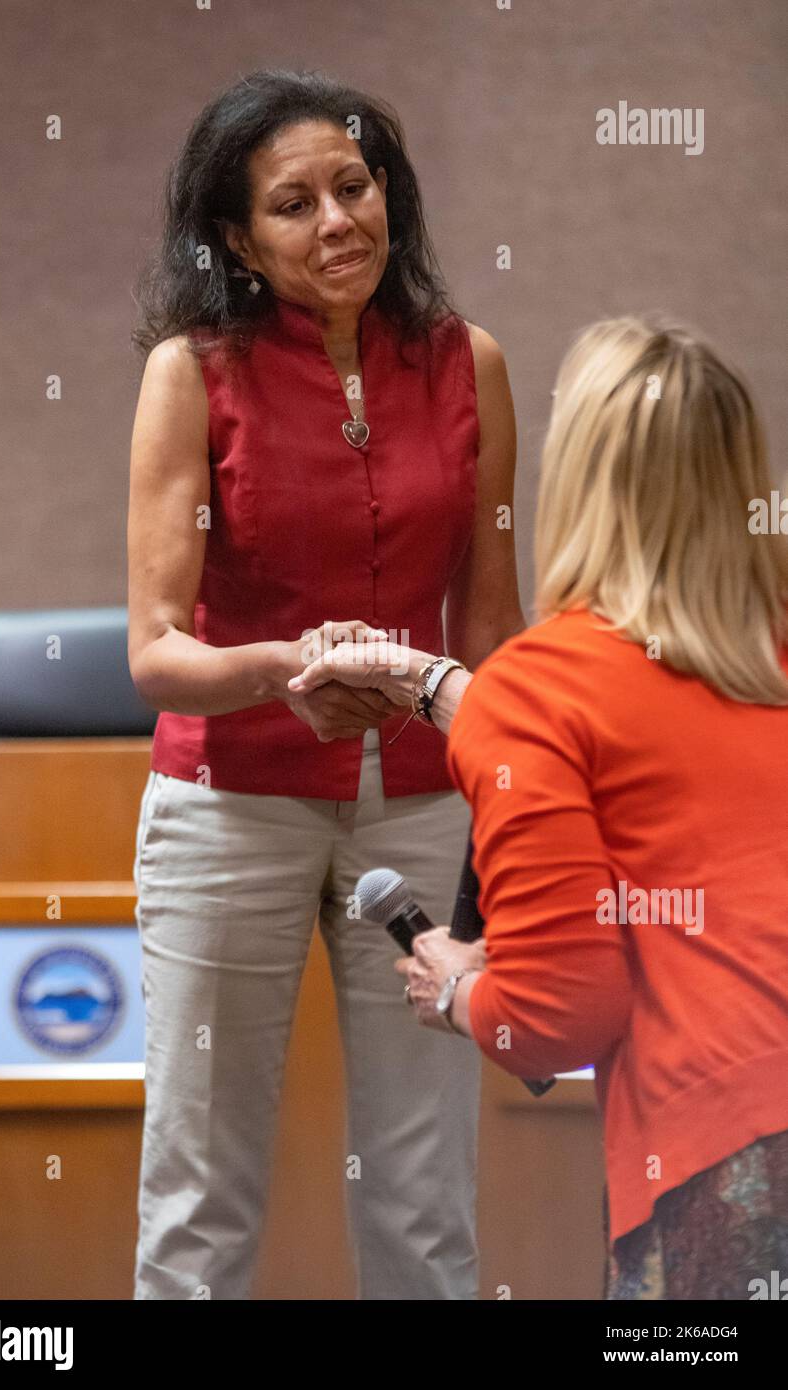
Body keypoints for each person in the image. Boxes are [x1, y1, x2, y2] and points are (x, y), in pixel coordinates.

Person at [291, 314, 788, 1300]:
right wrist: (427, 677)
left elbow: (560, 1015)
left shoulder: (538, 689)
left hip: (726, 1159)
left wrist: (460, 990)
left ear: (575, 479)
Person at [127, 68, 524, 1299]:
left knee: (422, 1198)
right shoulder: (191, 372)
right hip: (227, 797)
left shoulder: (471, 363)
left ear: (388, 195)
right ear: (239, 241)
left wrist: (510, 809)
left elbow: (496, 626)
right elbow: (152, 646)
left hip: (423, 798)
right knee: (200, 1191)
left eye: (352, 187)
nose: (336, 220)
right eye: (292, 206)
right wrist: (278, 673)